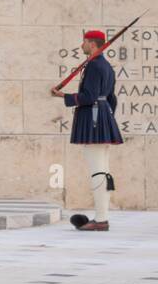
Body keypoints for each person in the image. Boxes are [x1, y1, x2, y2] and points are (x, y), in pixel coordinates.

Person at [51, 29, 122, 231]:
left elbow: (89, 97)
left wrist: (63, 96)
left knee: (98, 171)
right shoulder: (106, 66)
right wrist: (107, 119)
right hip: (102, 117)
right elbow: (111, 99)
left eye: (83, 42)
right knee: (103, 170)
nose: (81, 46)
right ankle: (102, 217)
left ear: (91, 44)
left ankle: (100, 220)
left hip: (93, 119)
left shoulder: (93, 65)